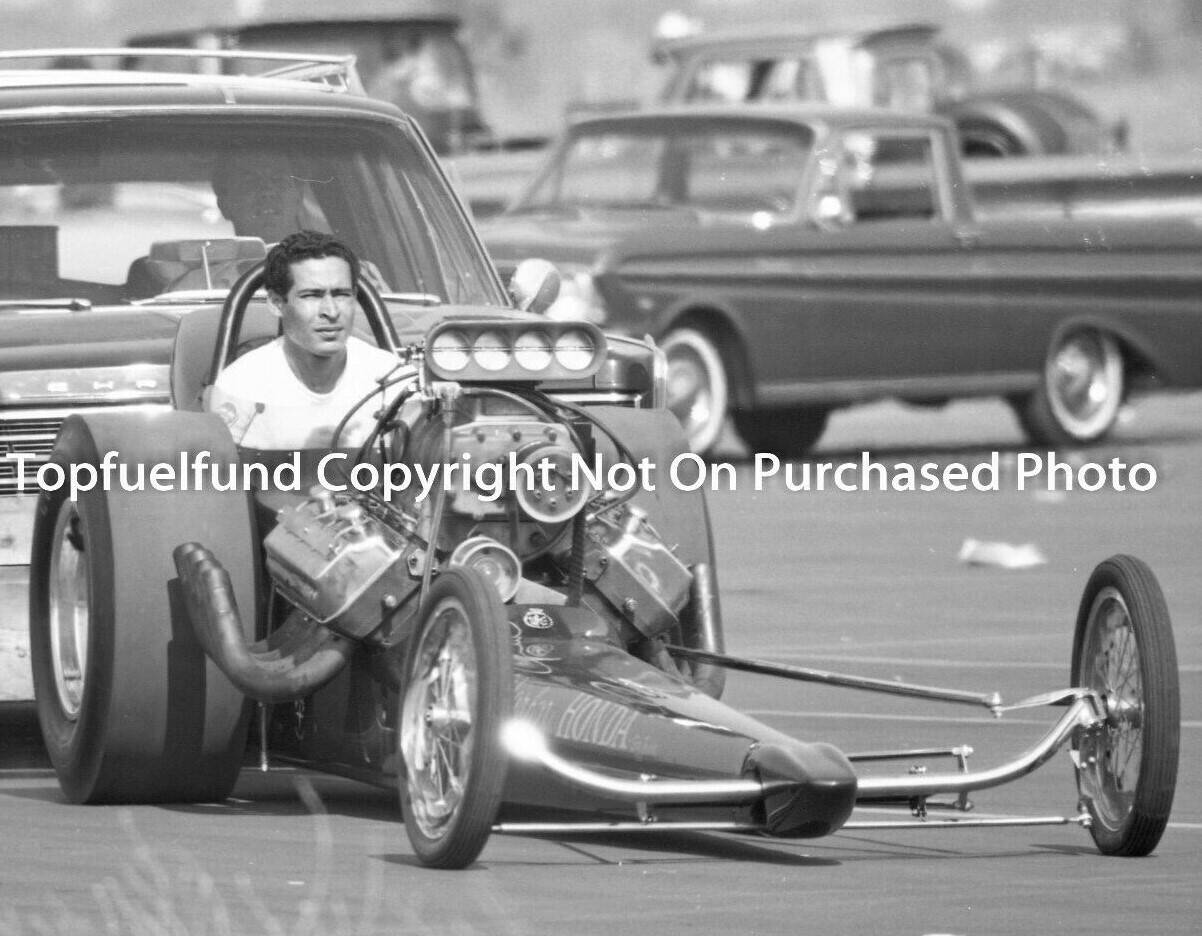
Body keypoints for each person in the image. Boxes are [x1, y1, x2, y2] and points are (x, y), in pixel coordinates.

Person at [207, 230, 411, 451]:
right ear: (276, 303)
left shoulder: (393, 377)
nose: (331, 311)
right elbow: (222, 479)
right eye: (311, 295)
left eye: (342, 294)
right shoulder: (241, 385)